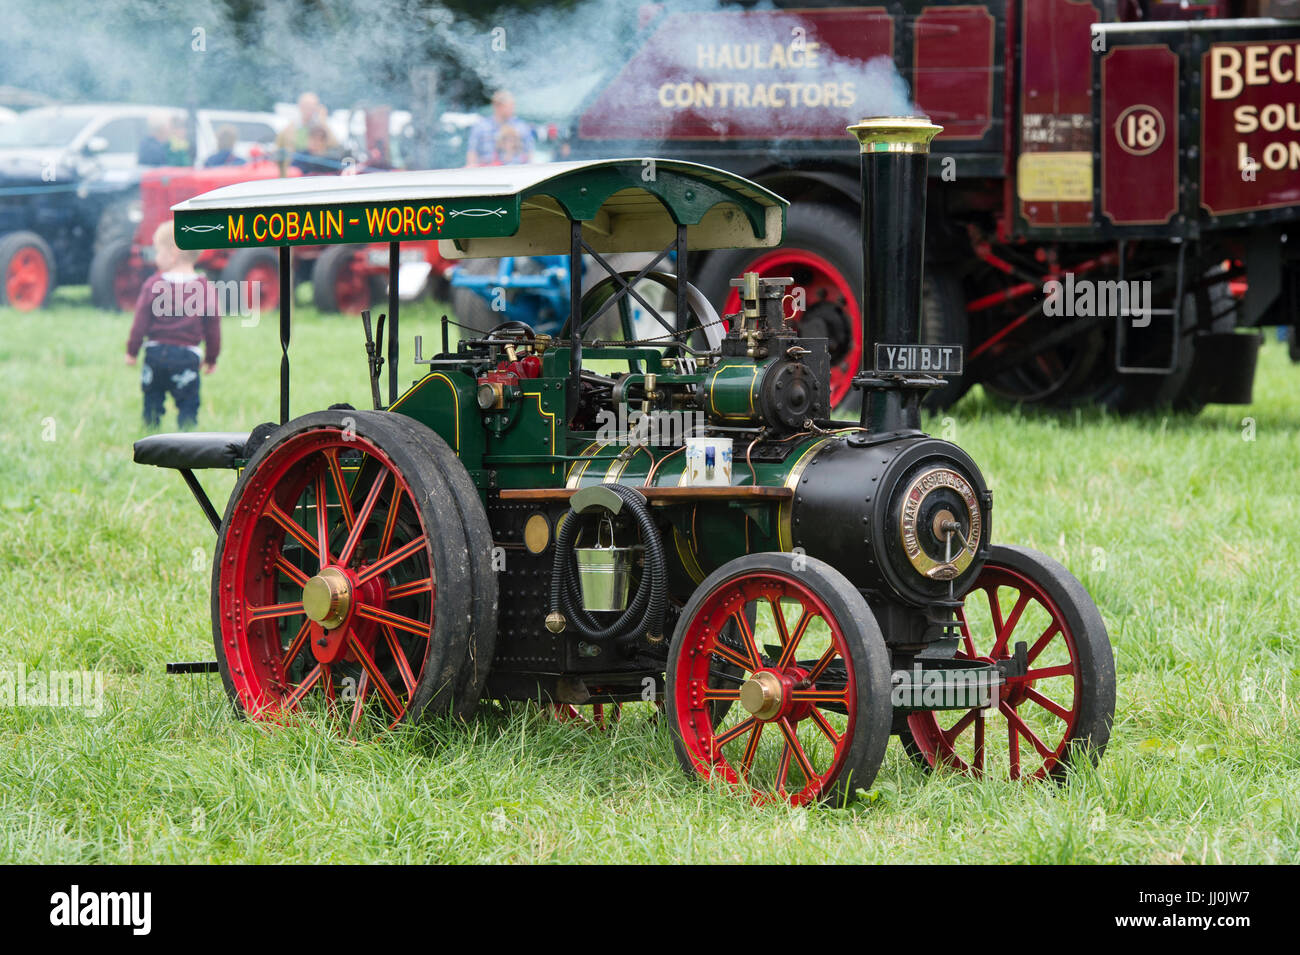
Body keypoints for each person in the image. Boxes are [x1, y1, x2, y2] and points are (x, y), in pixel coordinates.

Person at [125, 221, 220, 430]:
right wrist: (211, 358)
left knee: (152, 401)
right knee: (188, 406)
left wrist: (132, 351)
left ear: (174, 252)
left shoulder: (153, 284)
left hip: (155, 355)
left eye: (158, 251)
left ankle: (149, 439)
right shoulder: (205, 288)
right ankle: (187, 443)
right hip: (187, 358)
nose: (156, 257)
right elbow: (213, 327)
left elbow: (139, 323)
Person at [465, 90, 534, 166]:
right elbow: (472, 153)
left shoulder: (522, 127)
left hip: (516, 171)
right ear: (497, 106)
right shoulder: (481, 127)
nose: (512, 109)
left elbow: (529, 153)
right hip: (488, 172)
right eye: (508, 106)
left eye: (513, 106)